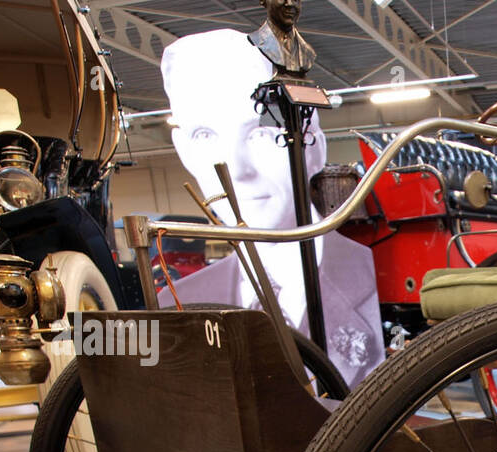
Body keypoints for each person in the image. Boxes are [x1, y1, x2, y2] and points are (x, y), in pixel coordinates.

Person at [158, 29, 383, 389]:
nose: (238, 170)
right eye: (206, 135)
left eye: (260, 133)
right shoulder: (177, 304)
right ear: (184, 150)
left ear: (314, 146)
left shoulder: (370, 275)